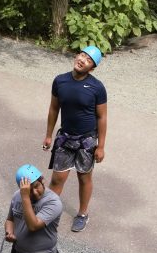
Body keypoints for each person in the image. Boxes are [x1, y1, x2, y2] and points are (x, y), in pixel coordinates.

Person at [41, 45, 108, 232]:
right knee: (57, 179)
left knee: (84, 178)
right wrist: (48, 135)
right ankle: (49, 213)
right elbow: (54, 108)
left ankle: (82, 214)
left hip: (86, 141)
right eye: (82, 55)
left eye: (88, 60)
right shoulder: (60, 81)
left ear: (92, 68)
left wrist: (101, 146)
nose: (82, 60)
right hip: (65, 138)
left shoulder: (97, 87)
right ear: (77, 56)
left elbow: (102, 117)